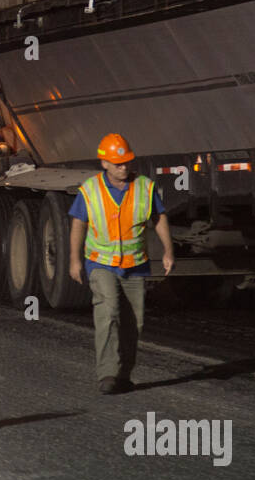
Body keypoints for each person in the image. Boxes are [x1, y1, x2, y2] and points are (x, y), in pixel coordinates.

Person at [68, 133, 175, 395]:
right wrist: (74, 260)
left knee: (133, 323)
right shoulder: (90, 190)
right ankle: (107, 373)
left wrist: (168, 250)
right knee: (109, 310)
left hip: (135, 265)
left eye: (126, 162)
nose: (123, 167)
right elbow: (78, 224)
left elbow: (158, 219)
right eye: (117, 163)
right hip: (101, 264)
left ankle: (124, 374)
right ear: (104, 163)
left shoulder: (144, 188)